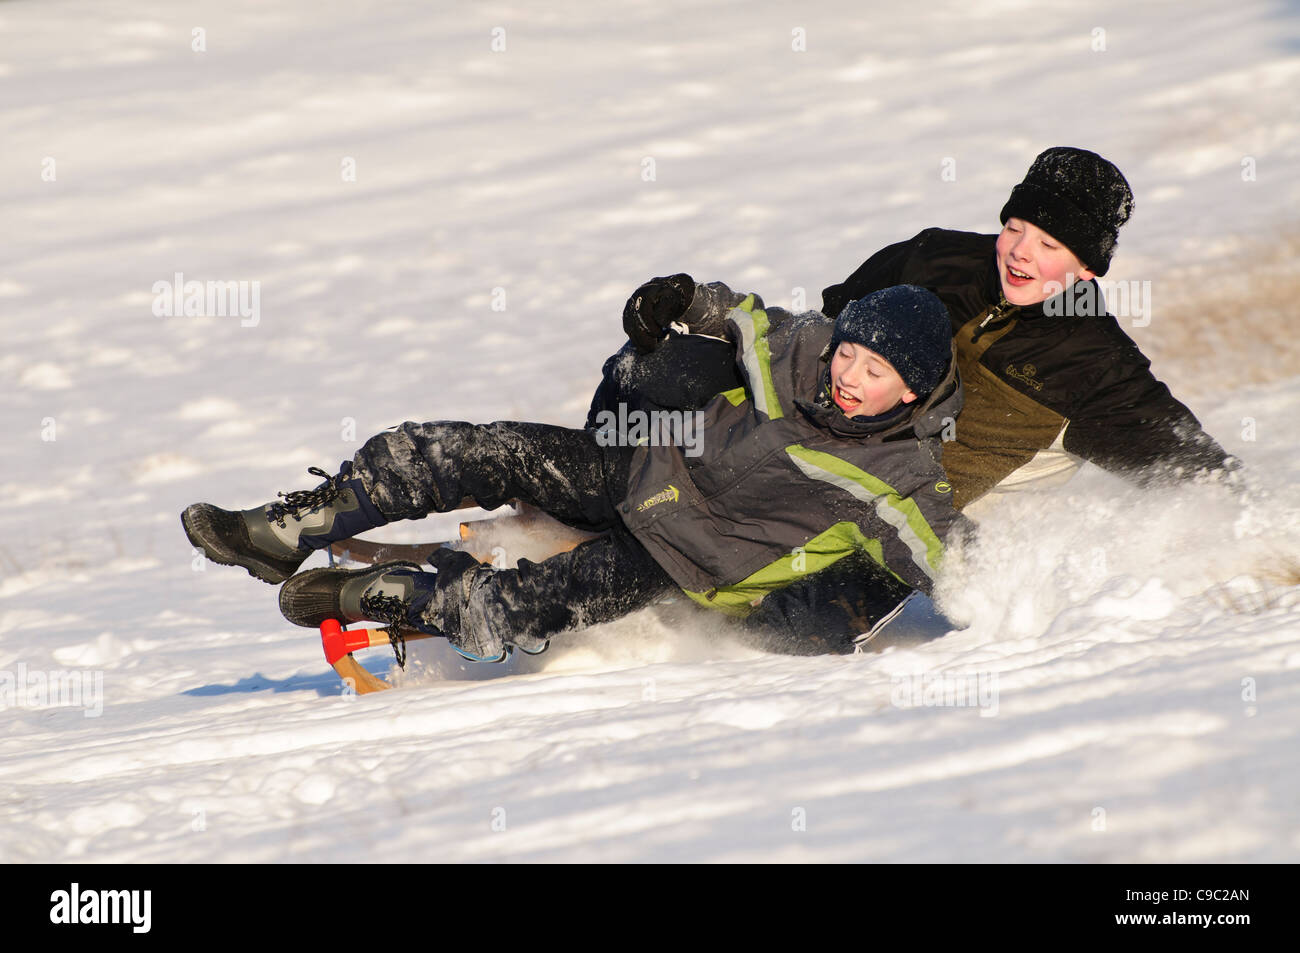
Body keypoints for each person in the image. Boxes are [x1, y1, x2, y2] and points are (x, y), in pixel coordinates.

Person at [589, 147, 1238, 643]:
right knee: (663, 366)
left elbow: (1196, 473)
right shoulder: (934, 259)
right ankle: (595, 485)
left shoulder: (1093, 367)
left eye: (1050, 246)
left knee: (806, 611)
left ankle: (677, 620)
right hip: (795, 441)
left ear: (1088, 269)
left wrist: (1260, 541)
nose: (1020, 254)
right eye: (1016, 228)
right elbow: (823, 328)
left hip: (880, 513)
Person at [182, 284, 966, 662]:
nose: (850, 376)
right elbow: (743, 315)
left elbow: (957, 562)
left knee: (525, 607)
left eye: (876, 371)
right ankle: (291, 528)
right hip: (640, 464)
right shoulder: (810, 351)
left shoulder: (898, 479)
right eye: (851, 355)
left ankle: (403, 598)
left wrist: (1034, 612)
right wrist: (682, 299)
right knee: (469, 449)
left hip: (680, 561)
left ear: (914, 388)